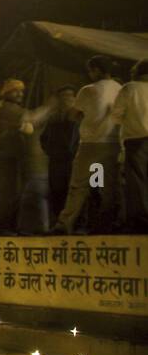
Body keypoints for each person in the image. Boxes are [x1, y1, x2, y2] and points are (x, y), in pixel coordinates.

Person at [54, 57, 123, 234]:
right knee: (106, 186)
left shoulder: (88, 90)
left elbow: (72, 115)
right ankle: (104, 224)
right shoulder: (121, 89)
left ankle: (65, 224)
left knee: (79, 185)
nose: (89, 74)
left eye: (91, 71)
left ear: (96, 70)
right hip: (113, 145)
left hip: (90, 146)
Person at [112, 59, 148, 231]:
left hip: (136, 141)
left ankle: (140, 221)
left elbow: (116, 116)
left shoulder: (129, 88)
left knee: (136, 182)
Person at [0, 78, 29, 234]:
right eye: (16, 90)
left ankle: (10, 226)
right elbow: (28, 121)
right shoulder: (7, 109)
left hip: (10, 154)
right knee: (9, 191)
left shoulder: (4, 108)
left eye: (21, 91)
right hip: (6, 155)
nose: (20, 94)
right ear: (7, 93)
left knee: (13, 191)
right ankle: (2, 226)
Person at [40, 86, 80, 221]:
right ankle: (58, 221)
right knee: (57, 190)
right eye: (63, 96)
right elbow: (44, 138)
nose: (66, 99)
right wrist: (51, 151)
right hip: (57, 160)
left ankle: (74, 221)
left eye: (69, 96)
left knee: (75, 190)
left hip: (75, 160)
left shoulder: (79, 116)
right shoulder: (53, 118)